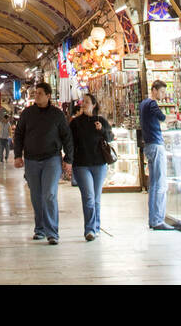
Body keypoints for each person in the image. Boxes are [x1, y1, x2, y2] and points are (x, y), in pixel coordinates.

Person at [13, 81, 73, 244]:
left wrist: (68, 159)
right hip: (32, 160)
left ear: (48, 96)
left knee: (49, 194)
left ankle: (52, 232)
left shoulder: (57, 114)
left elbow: (66, 137)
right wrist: (18, 155)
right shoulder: (27, 113)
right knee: (36, 196)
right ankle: (39, 228)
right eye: (35, 93)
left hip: (51, 159)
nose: (36, 95)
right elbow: (18, 134)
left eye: (40, 93)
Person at [69, 93, 113, 241]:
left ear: (94, 105)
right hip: (81, 164)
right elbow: (70, 142)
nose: (84, 104)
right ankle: (90, 229)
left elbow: (110, 138)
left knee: (96, 198)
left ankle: (96, 226)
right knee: (88, 197)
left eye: (87, 102)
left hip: (99, 164)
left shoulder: (100, 121)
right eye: (83, 102)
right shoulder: (75, 123)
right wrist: (68, 159)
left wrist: (102, 130)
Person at [141, 80, 173, 230]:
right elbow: (162, 117)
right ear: (153, 90)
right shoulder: (152, 103)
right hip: (156, 144)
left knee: (154, 184)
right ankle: (158, 219)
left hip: (148, 145)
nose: (163, 95)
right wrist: (174, 118)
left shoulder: (143, 104)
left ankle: (153, 219)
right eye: (161, 92)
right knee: (160, 184)